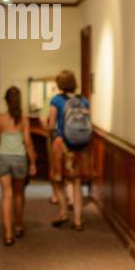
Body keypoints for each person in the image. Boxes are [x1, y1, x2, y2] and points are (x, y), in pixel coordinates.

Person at [0, 86, 37, 246]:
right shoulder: (24, 120)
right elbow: (28, 143)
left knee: (6, 195)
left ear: (6, 101)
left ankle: (8, 235)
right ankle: (19, 226)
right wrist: (33, 162)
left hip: (3, 159)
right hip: (20, 159)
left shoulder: (0, 119)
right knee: (19, 194)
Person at [46, 70, 95, 230]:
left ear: (60, 84)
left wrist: (51, 134)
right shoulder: (84, 101)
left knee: (58, 179)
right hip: (81, 147)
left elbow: (52, 125)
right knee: (77, 182)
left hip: (62, 145)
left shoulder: (57, 101)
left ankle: (63, 212)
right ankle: (78, 220)